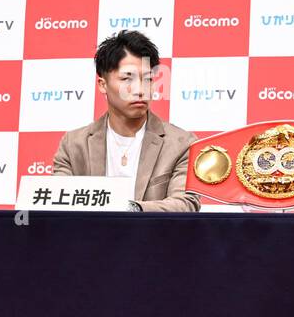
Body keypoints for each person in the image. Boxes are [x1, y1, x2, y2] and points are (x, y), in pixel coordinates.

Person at [52, 30, 199, 212]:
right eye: (126, 79)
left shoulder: (182, 144)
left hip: (153, 239)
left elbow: (185, 204)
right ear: (102, 84)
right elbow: (56, 204)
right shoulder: (74, 145)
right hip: (90, 239)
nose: (140, 90)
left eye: (148, 79)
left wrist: (129, 209)